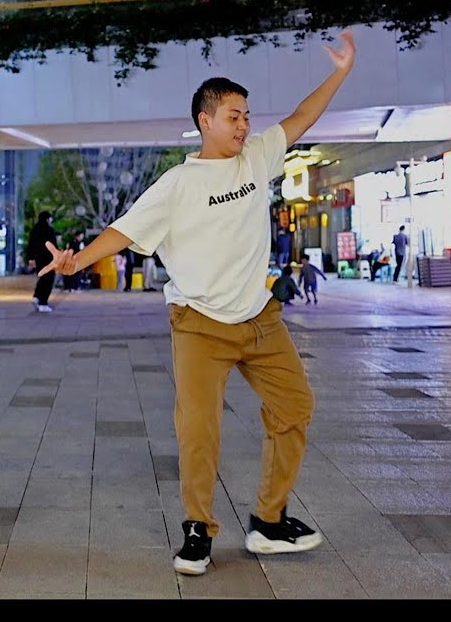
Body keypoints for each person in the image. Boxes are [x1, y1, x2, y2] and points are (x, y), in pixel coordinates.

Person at [39, 30, 356, 575]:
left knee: (295, 407)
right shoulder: (177, 184)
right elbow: (121, 231)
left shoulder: (256, 158)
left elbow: (303, 116)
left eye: (247, 116)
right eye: (233, 116)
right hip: (200, 325)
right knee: (198, 429)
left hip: (260, 318)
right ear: (206, 120)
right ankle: (197, 528)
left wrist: (340, 72)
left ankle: (269, 521)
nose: (244, 125)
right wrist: (76, 262)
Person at [26, 211, 57, 313]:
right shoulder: (49, 230)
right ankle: (43, 303)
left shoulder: (34, 230)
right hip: (48, 259)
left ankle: (37, 297)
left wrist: (31, 258)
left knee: (42, 278)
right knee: (48, 280)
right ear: (47, 219)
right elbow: (53, 245)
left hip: (38, 259)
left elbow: (30, 245)